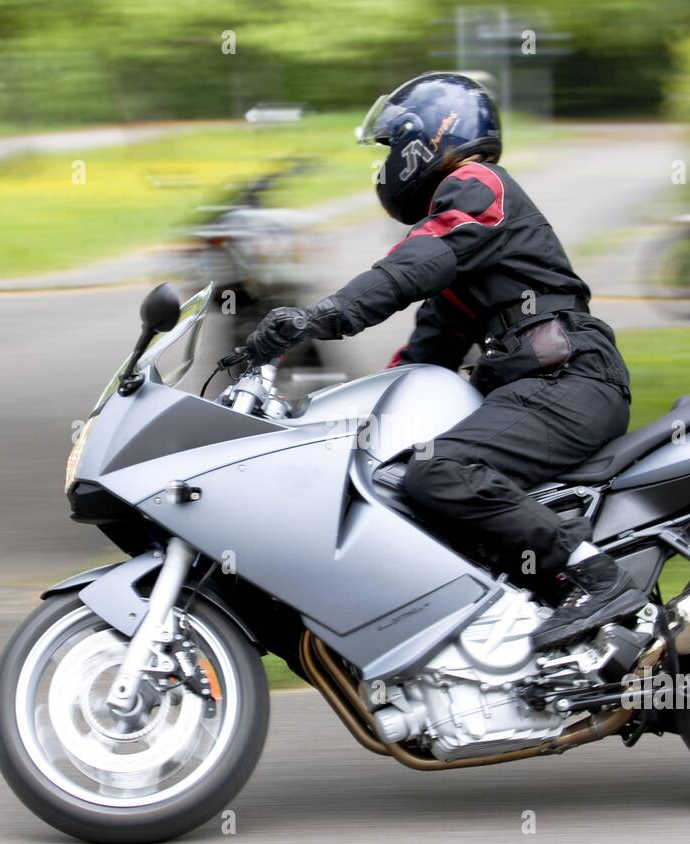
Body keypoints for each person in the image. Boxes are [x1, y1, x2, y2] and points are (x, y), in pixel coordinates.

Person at [242, 73, 645, 647]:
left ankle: (596, 577)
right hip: (548, 388)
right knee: (401, 477)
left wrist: (321, 315)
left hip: (571, 379)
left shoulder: (477, 184)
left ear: (429, 137)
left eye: (392, 145)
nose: (387, 162)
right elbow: (419, 361)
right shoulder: (464, 268)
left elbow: (414, 262)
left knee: (441, 470)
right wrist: (329, 424)